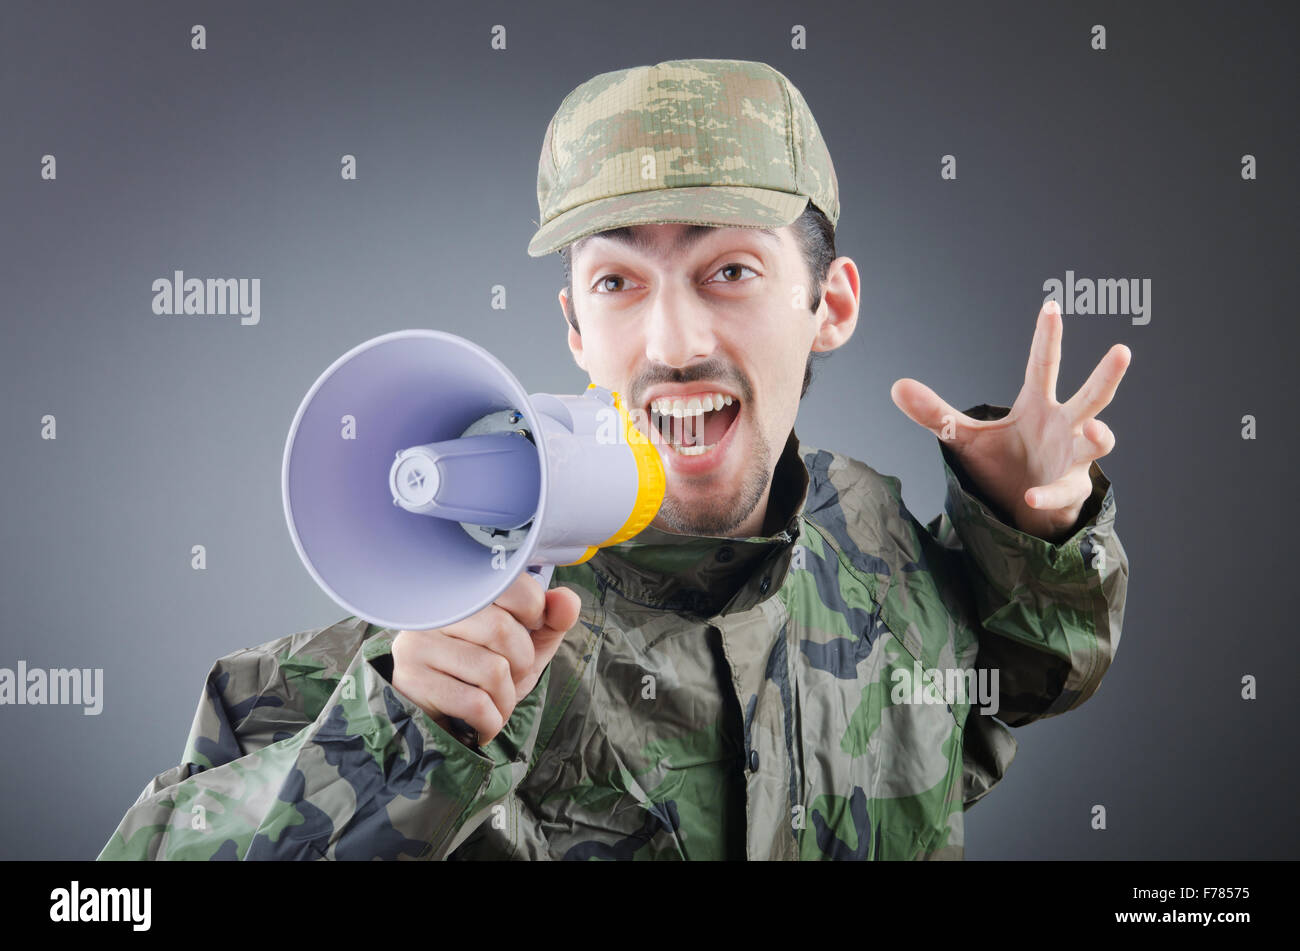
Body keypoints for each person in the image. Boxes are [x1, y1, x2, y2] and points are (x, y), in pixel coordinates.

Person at [99, 58, 1129, 861]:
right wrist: (401, 742)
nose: (673, 341)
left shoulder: (876, 534)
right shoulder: (431, 647)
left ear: (830, 304)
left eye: (729, 269)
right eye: (618, 284)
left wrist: (1027, 531)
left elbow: (1011, 687)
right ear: (574, 331)